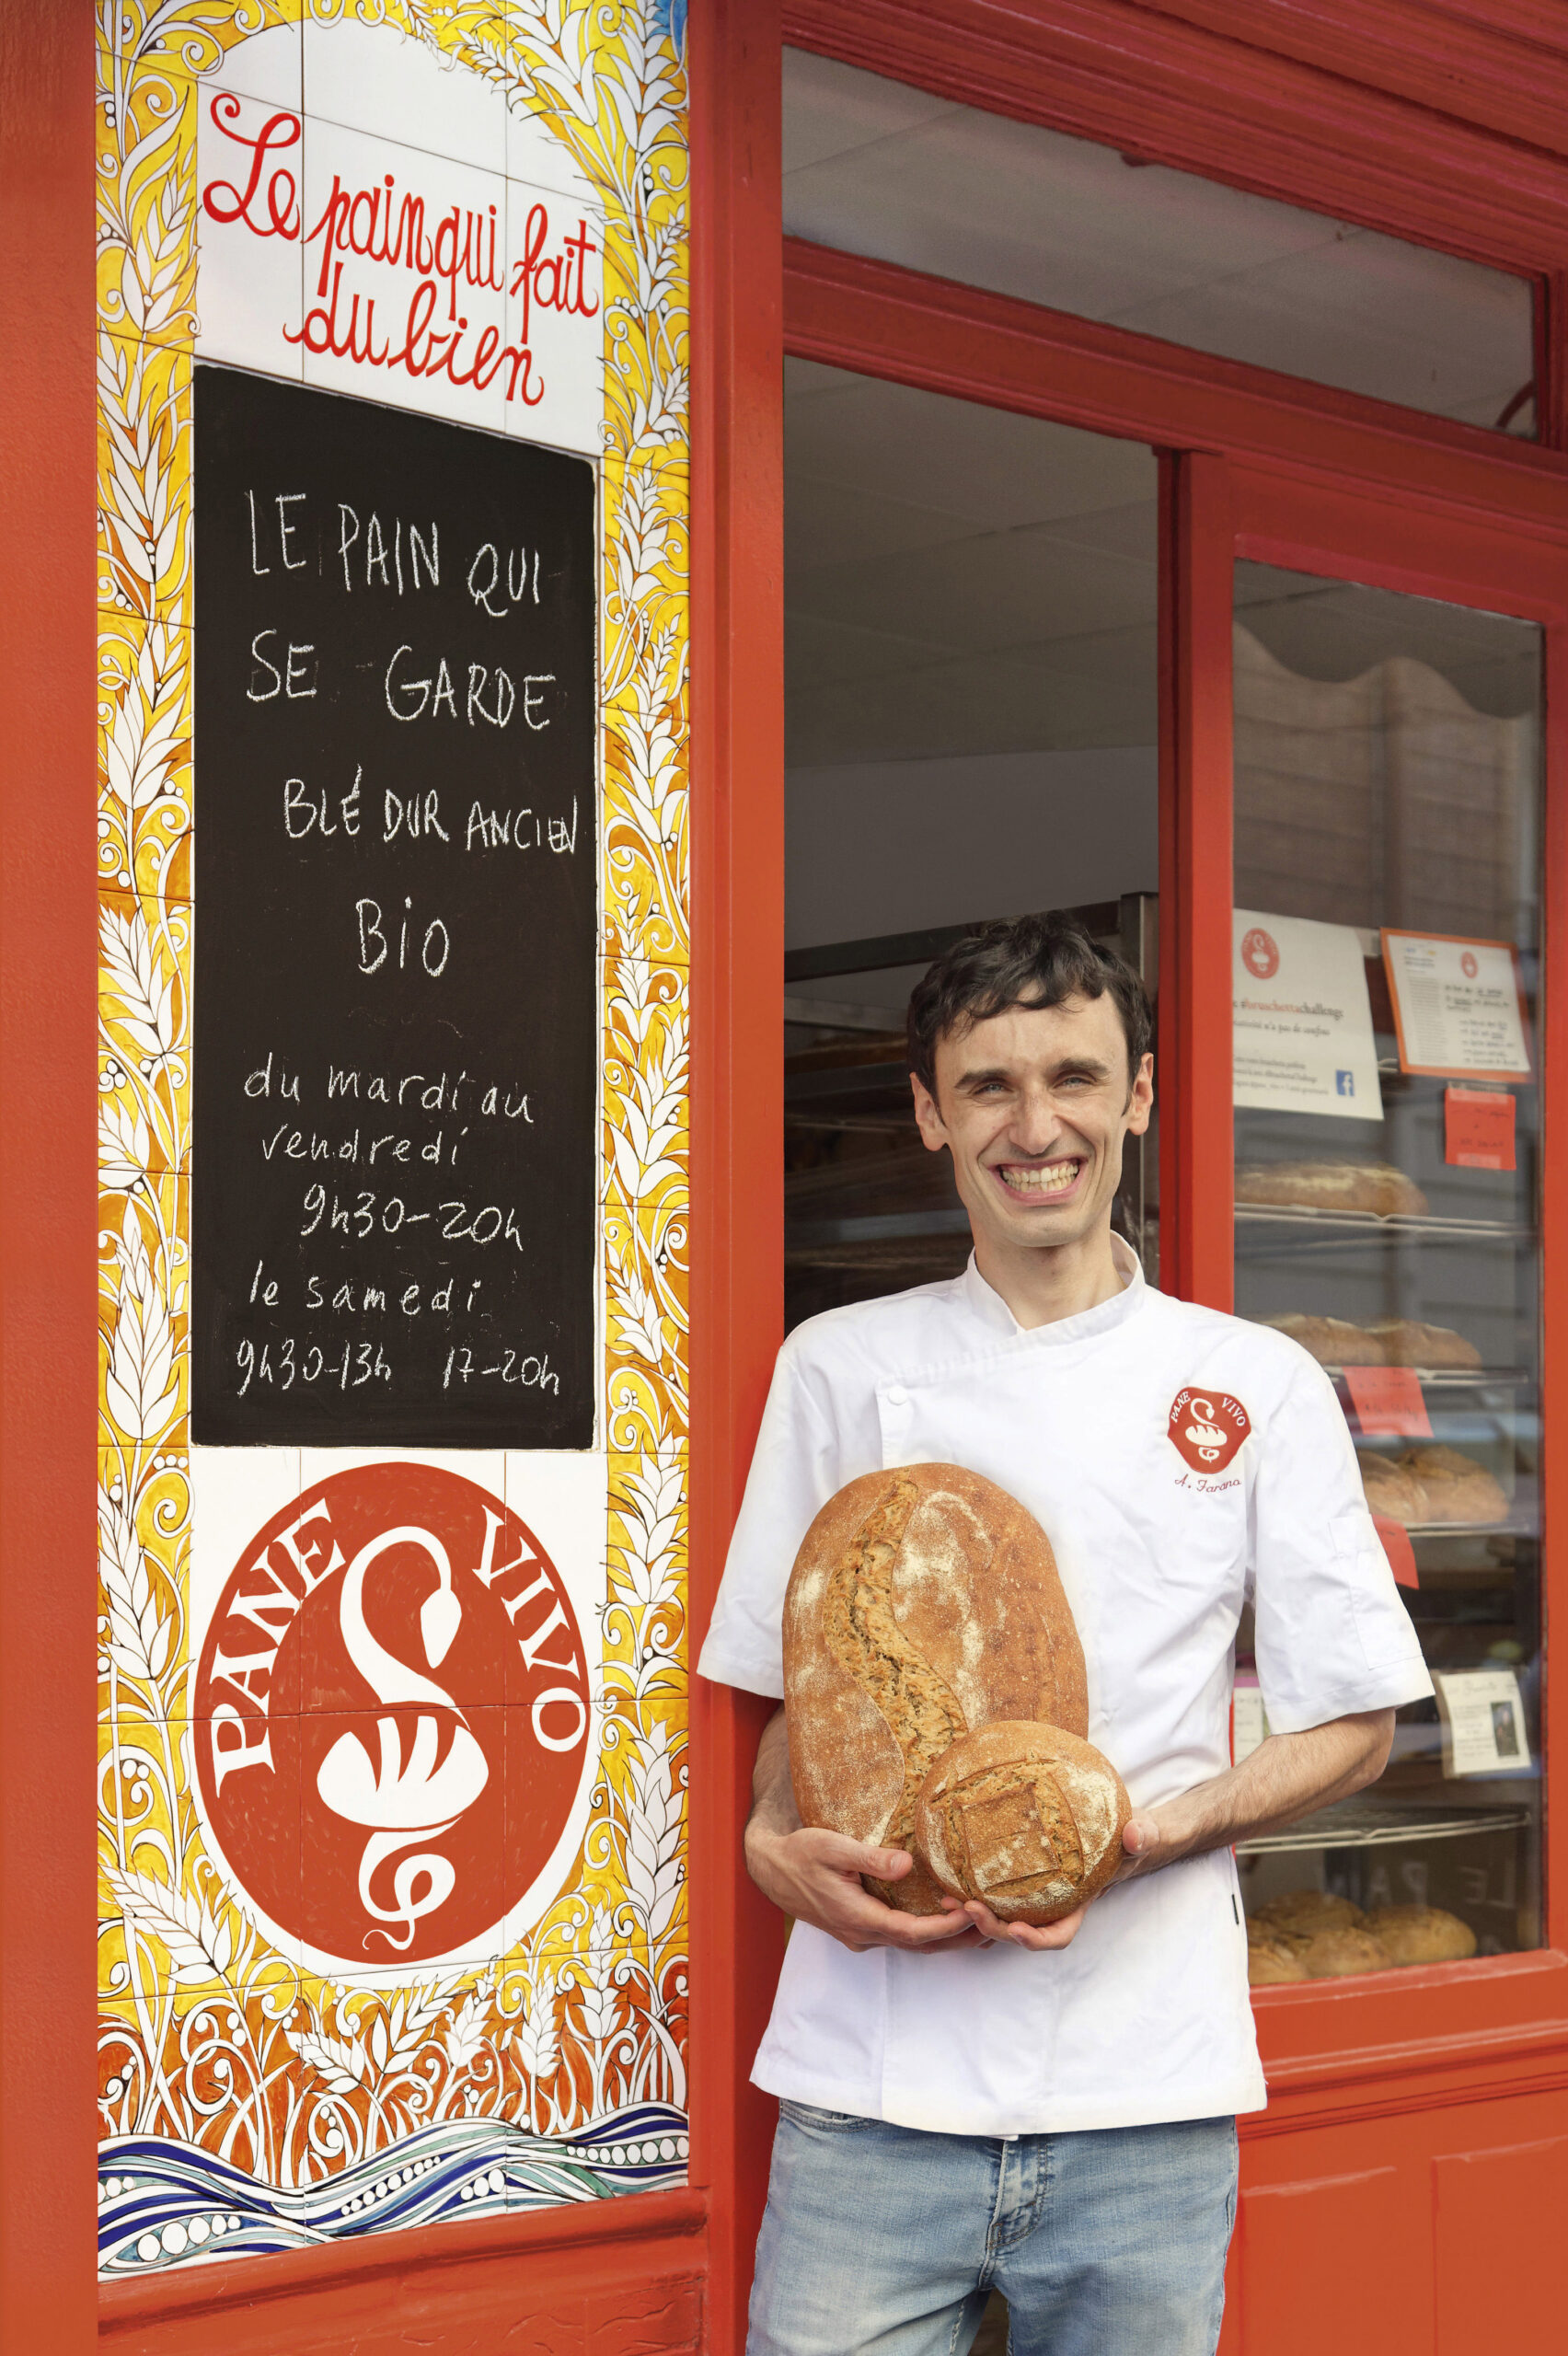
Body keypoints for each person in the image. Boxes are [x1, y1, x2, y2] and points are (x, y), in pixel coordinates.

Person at [697, 909, 1433, 2356]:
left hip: (1144, 2099)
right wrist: (775, 1840)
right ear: (927, 1113)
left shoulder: (1254, 1381)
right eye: (988, 1086)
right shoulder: (839, 1367)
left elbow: (1354, 1719)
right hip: (872, 2093)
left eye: (1077, 1080)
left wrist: (1138, 1838)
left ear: (1138, 1096)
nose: (1038, 1126)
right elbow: (799, 1700)